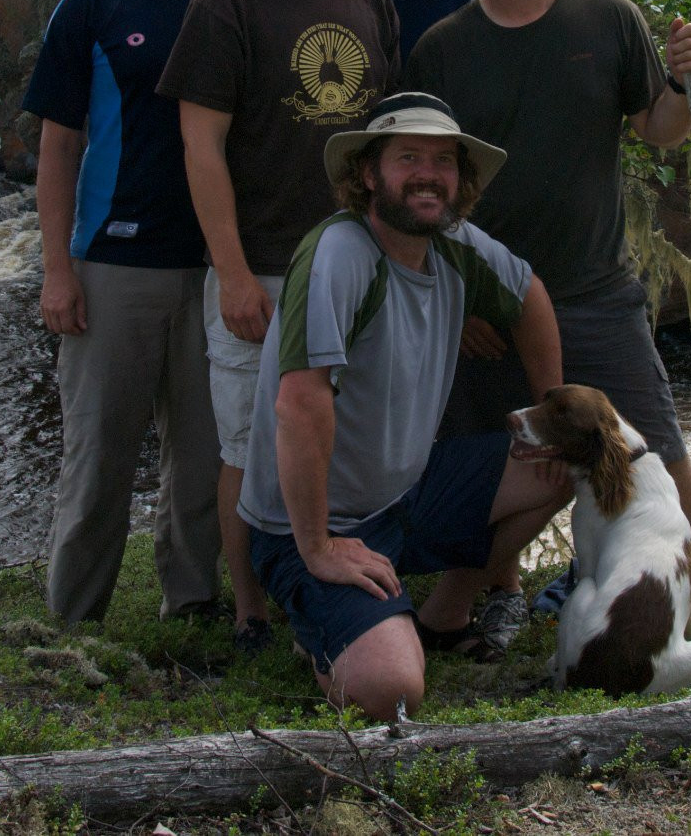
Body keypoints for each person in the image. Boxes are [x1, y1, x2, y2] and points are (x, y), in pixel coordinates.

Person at [403, 0, 691, 653]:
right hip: (487, 299)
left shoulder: (608, 18)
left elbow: (658, 126)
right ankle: (501, 595)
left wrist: (690, 83)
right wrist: (461, 297)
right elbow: (427, 181)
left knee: (655, 443)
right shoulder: (445, 48)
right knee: (496, 458)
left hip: (595, 287)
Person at [238, 93, 569, 719]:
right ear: (369, 175)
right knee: (392, 690)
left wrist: (549, 414)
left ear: (460, 179)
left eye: (445, 161)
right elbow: (299, 405)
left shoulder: (455, 245)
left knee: (569, 459)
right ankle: (325, 632)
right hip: (309, 526)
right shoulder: (339, 252)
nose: (428, 173)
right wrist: (317, 546)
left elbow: (530, 298)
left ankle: (445, 613)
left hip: (409, 496)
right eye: (408, 157)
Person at [158, 0, 401, 652]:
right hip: (259, 265)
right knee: (245, 447)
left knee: (330, 441)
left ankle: (323, 586)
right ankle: (252, 611)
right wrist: (231, 274)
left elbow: (381, 138)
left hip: (349, 268)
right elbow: (201, 144)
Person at [24, 0, 224, 624]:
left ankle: (194, 602)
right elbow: (58, 146)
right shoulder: (91, 9)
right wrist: (57, 269)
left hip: (213, 267)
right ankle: (75, 621)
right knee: (98, 458)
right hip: (111, 262)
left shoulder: (230, 4)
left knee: (204, 459)